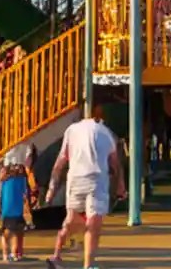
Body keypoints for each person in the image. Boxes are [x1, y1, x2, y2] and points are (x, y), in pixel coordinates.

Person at [43, 105, 126, 269]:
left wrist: (51, 188)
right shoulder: (106, 133)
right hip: (97, 180)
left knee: (72, 221)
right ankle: (88, 264)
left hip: (76, 179)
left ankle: (57, 255)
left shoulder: (72, 130)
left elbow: (60, 162)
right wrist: (120, 187)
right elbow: (116, 164)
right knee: (93, 223)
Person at [0, 158, 33, 262]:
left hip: (6, 211)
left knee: (6, 235)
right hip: (17, 210)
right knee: (16, 233)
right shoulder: (21, 179)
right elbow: (25, 195)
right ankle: (14, 254)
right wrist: (28, 208)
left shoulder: (4, 180)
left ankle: (5, 255)